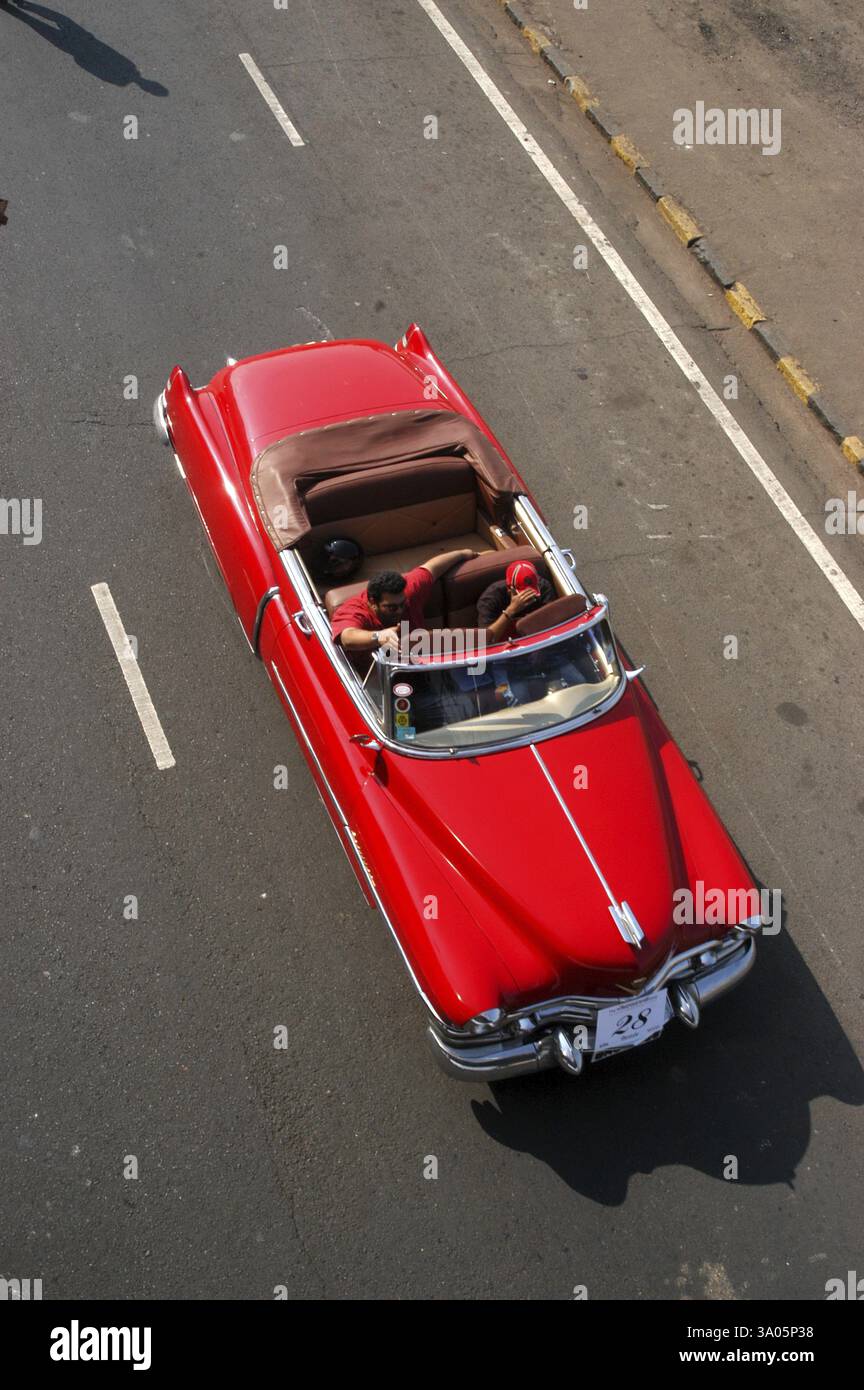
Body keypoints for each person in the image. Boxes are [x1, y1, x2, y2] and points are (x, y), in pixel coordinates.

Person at [330, 548, 477, 656]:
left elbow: (431, 568)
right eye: (392, 608)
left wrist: (465, 553)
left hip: (422, 661)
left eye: (402, 604)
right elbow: (347, 636)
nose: (400, 611)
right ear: (372, 602)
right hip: (379, 676)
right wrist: (379, 636)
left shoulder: (409, 590)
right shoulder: (354, 610)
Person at [476, 559, 555, 644]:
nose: (527, 597)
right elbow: (486, 641)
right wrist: (510, 611)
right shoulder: (490, 599)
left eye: (532, 592)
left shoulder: (544, 587)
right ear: (509, 589)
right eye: (522, 593)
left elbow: (551, 624)